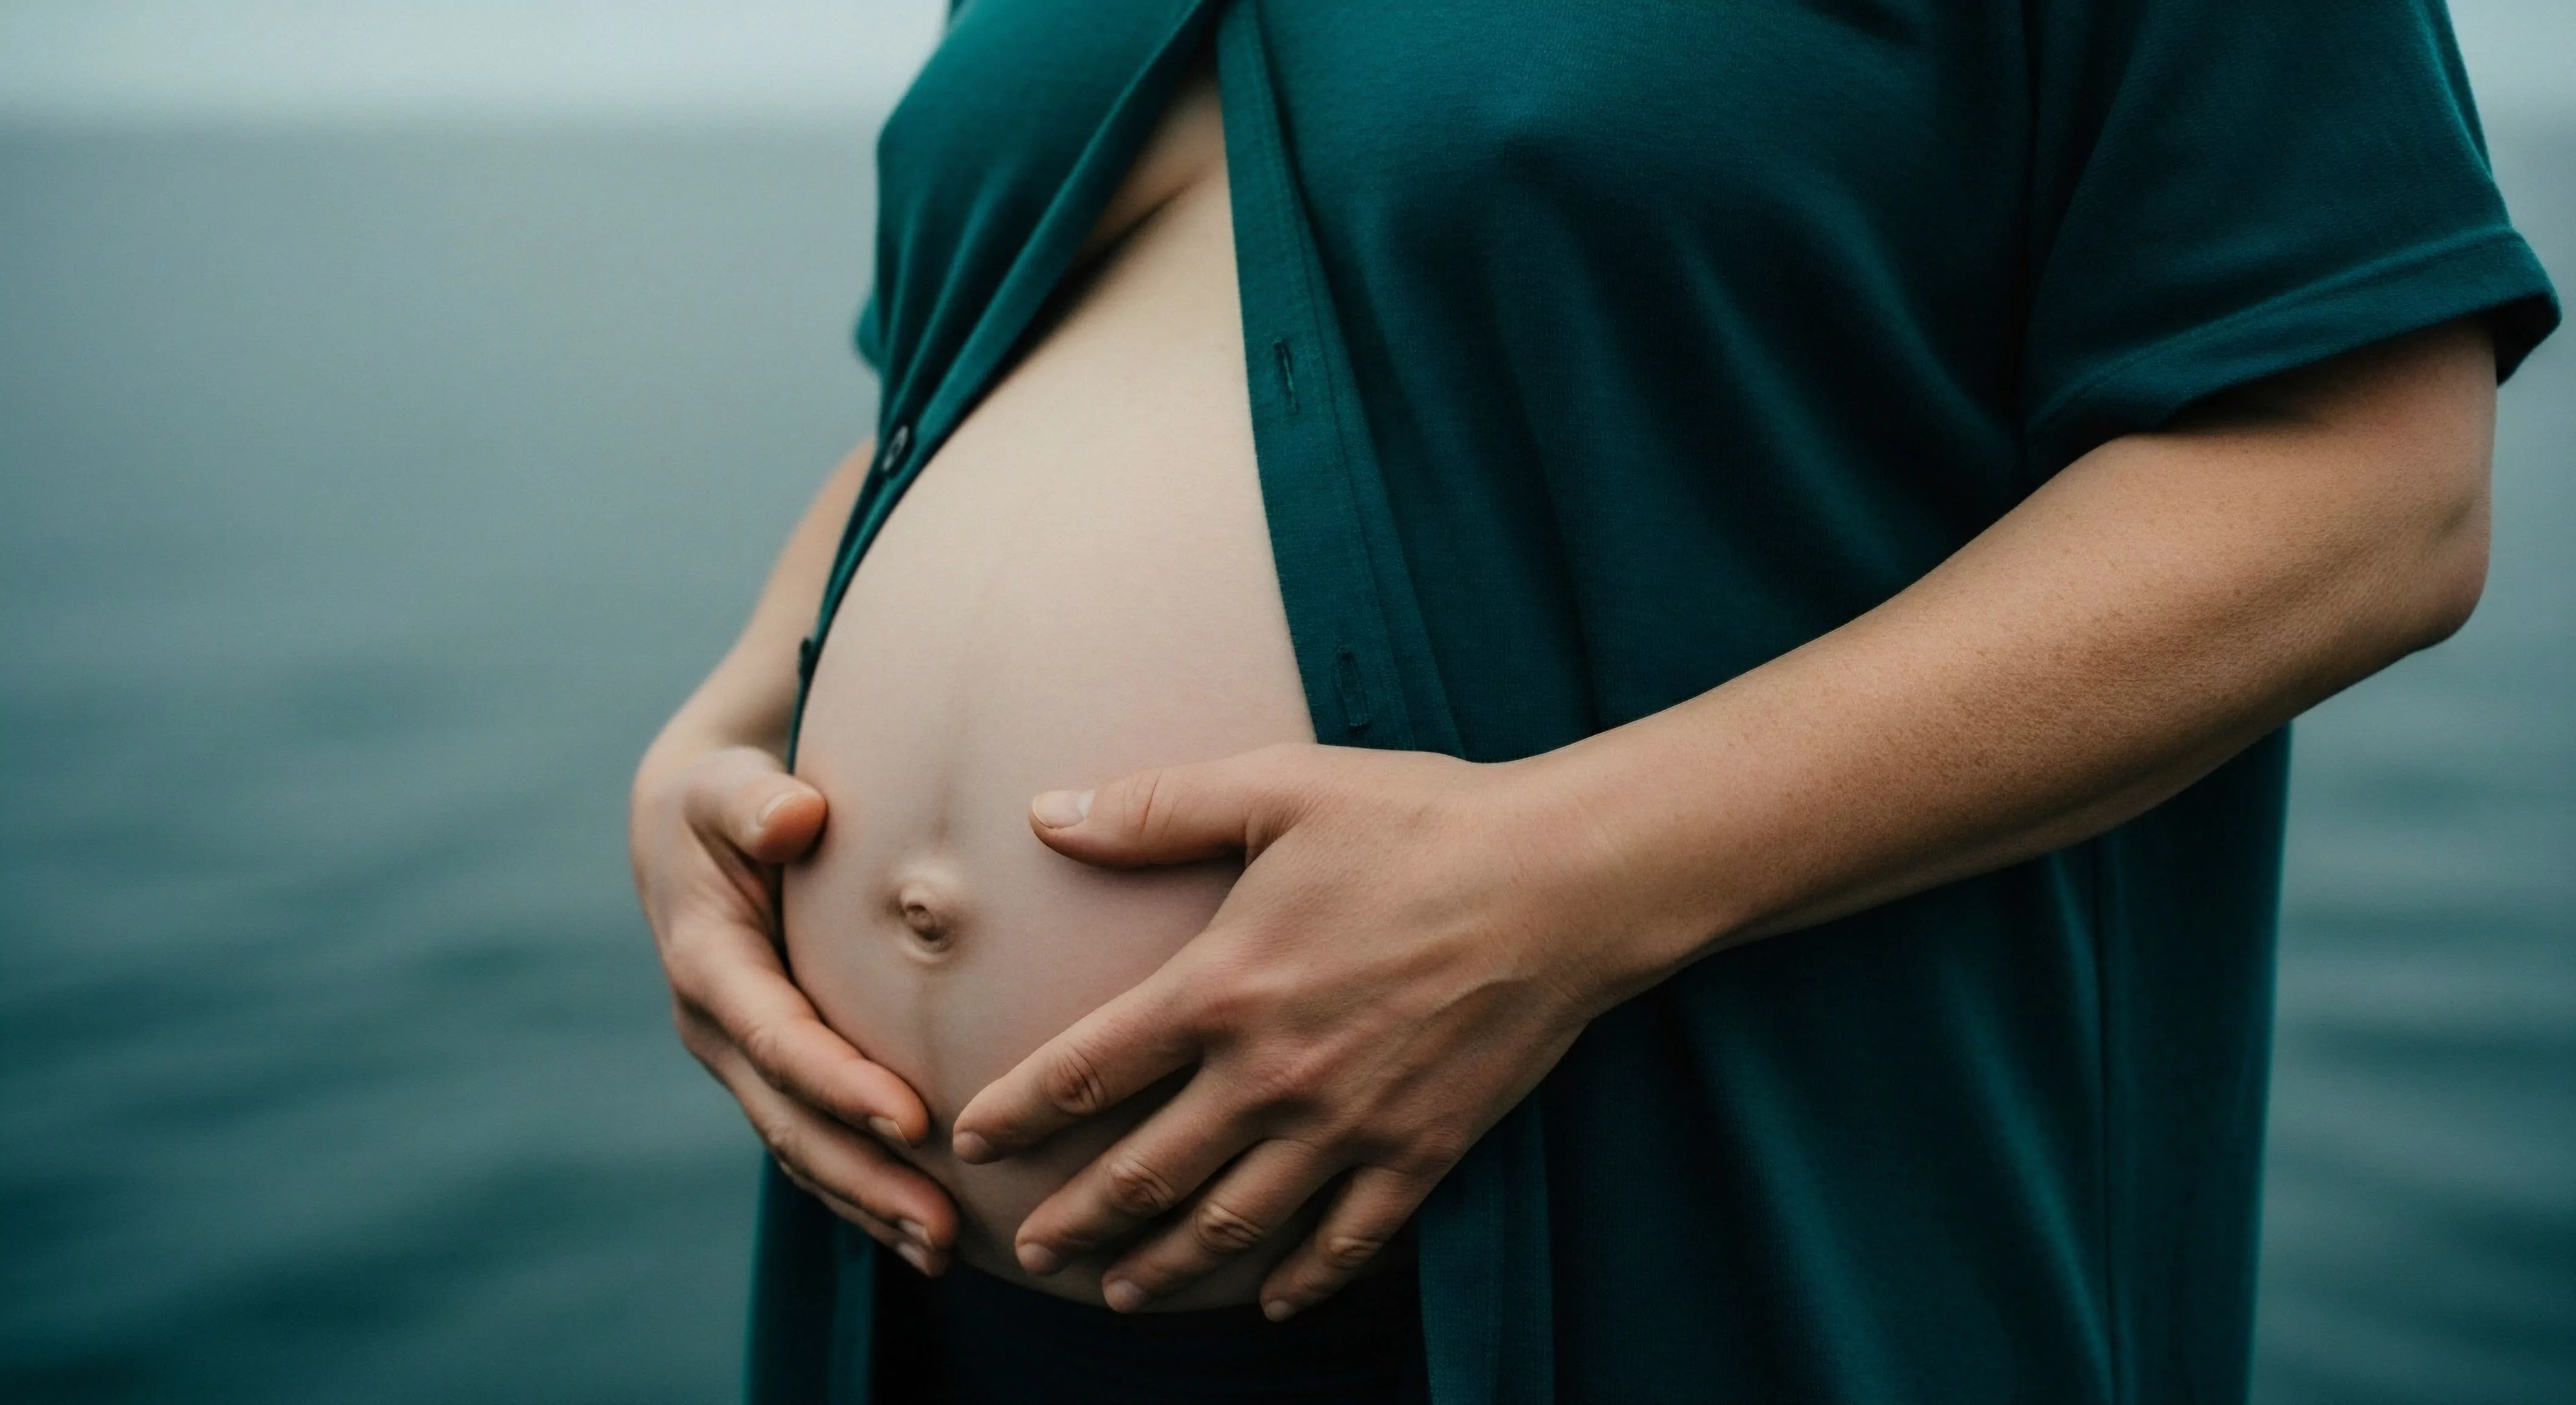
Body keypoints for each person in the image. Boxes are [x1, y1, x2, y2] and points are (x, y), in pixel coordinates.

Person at [628, 0, 2558, 1401]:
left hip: (1690, 1252)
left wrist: (1567, 880)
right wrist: (733, 712)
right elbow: (944, 382)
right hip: (947, 1297)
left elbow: (2366, 484)